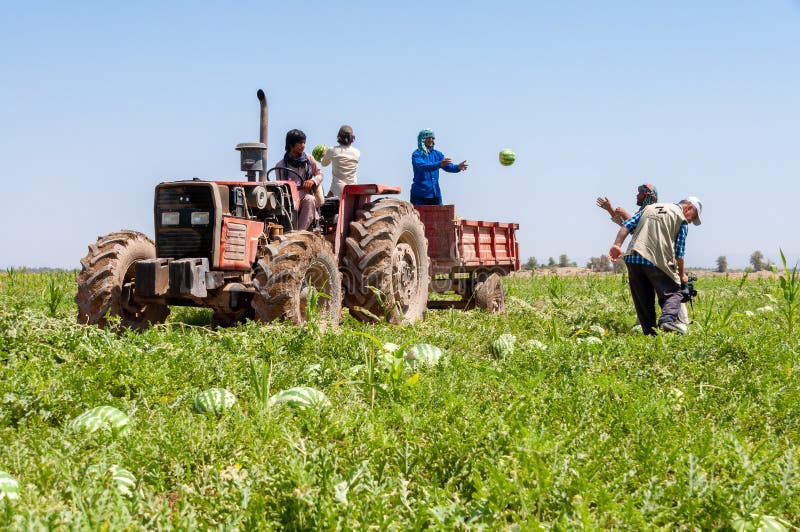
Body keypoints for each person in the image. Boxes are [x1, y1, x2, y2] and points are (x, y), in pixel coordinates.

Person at [597, 183, 690, 325]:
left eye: (640, 193)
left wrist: (622, 215)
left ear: (648, 195)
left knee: (658, 295)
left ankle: (670, 324)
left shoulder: (652, 211)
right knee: (671, 292)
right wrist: (611, 210)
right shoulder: (660, 212)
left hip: (647, 259)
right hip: (656, 261)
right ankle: (672, 323)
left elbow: (634, 228)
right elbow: (630, 226)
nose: (636, 195)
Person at [608, 196, 703, 335]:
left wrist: (617, 245)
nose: (689, 221)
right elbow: (679, 254)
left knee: (643, 301)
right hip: (656, 260)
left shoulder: (649, 208)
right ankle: (667, 320)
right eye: (692, 217)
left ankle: (650, 335)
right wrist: (681, 275)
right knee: (674, 293)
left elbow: (627, 225)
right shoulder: (681, 219)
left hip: (634, 259)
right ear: (688, 208)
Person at [273, 129, 323, 231]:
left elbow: (320, 174)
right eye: (300, 143)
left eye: (304, 142)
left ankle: (299, 234)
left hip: (305, 196)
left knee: (310, 199)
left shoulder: (309, 159)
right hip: (289, 199)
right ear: (291, 145)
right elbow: (280, 187)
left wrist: (313, 180)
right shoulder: (280, 166)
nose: (303, 145)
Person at [409, 129, 468, 206]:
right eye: (428, 137)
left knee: (440, 216)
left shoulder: (437, 154)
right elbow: (423, 167)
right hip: (419, 194)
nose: (431, 140)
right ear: (422, 139)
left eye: (432, 138)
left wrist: (458, 167)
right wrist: (439, 164)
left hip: (435, 194)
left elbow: (448, 166)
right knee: (418, 217)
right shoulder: (416, 154)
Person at [320, 125, 360, 197]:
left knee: (326, 202)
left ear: (339, 137)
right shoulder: (357, 152)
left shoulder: (332, 150)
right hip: (353, 187)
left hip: (338, 188)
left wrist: (323, 156)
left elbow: (323, 164)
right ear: (352, 138)